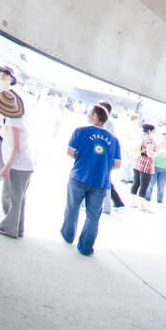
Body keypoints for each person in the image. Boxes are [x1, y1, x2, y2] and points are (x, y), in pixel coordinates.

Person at [60, 104, 121, 256]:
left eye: (89, 113)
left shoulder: (81, 131)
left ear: (94, 116)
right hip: (100, 182)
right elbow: (117, 164)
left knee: (72, 208)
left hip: (79, 176)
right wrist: (103, 165)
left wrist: (84, 159)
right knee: (93, 216)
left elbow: (70, 151)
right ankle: (85, 247)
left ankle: (68, 235)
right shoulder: (113, 140)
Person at [0, 87, 33, 240]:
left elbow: (16, 148)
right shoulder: (17, 120)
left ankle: (9, 227)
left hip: (18, 166)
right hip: (23, 166)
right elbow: (9, 139)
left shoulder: (14, 121)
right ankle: (17, 227)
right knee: (18, 198)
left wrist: (6, 168)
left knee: (10, 197)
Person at [130, 123, 156, 210]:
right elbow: (150, 154)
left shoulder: (140, 138)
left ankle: (133, 202)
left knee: (136, 183)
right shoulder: (150, 140)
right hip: (146, 165)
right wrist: (159, 153)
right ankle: (141, 205)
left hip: (137, 162)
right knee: (144, 185)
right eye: (153, 130)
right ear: (150, 131)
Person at [147, 131, 166, 204]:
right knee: (150, 184)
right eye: (163, 133)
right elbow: (150, 154)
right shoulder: (155, 144)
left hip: (165, 168)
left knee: (162, 186)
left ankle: (159, 201)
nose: (165, 135)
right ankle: (147, 199)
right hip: (155, 166)